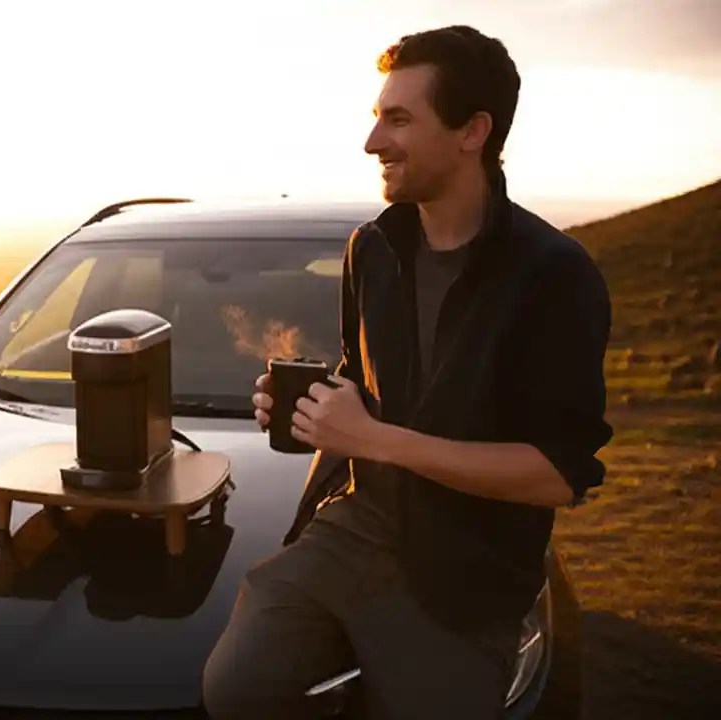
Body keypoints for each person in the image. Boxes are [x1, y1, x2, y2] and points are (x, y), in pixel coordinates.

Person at [201, 25, 613, 719]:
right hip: (355, 530)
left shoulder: (555, 276)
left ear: (472, 131)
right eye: (377, 118)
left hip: (468, 575)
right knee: (234, 688)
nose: (373, 143)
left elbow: (556, 474)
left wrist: (377, 439)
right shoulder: (373, 248)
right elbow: (363, 386)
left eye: (399, 119)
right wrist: (308, 411)